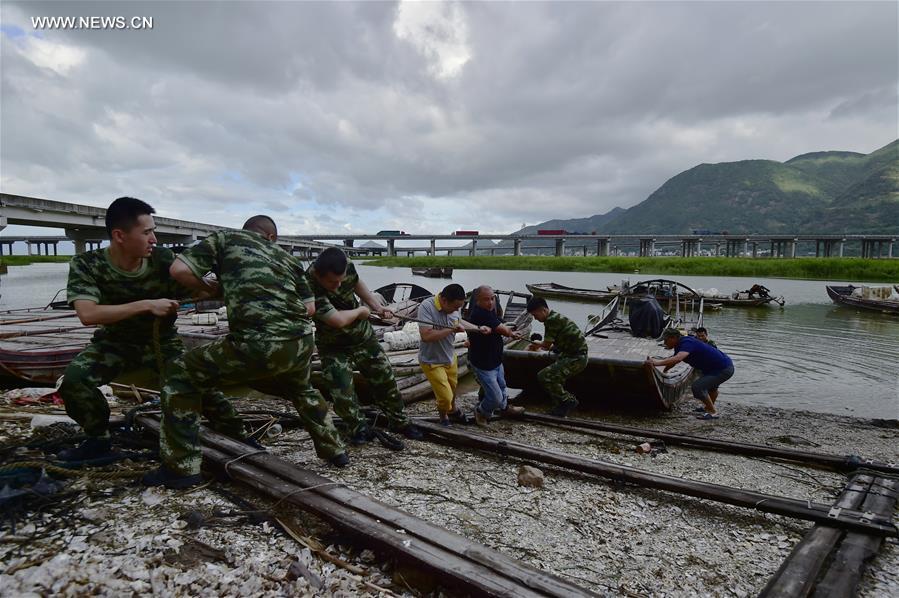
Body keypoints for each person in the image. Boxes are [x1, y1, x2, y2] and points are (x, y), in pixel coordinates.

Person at [143, 215, 347, 488]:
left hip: (257, 343)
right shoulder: (288, 258)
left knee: (179, 373)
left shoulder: (226, 238)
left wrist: (214, 287)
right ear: (271, 237)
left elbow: (179, 271)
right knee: (302, 389)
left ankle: (181, 467)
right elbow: (310, 308)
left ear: (247, 231)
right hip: (299, 342)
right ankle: (335, 450)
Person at [58, 197, 245, 461]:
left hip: (163, 343)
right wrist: (147, 305)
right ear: (119, 235)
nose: (154, 239)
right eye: (147, 232)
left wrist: (222, 283)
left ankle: (236, 432)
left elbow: (200, 288)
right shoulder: (88, 265)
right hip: (115, 343)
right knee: (75, 382)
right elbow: (87, 314)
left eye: (153, 231)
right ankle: (98, 439)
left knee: (196, 383)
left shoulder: (163, 260)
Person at [307, 248, 422, 444]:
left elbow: (357, 283)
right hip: (333, 344)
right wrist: (361, 310)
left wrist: (377, 306)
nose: (338, 286)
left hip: (362, 337)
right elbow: (337, 320)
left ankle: (399, 421)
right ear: (318, 274)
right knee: (342, 389)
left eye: (341, 281)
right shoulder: (307, 284)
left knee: (385, 378)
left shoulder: (347, 266)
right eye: (332, 283)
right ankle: (357, 428)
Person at [418, 283, 490, 426]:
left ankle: (453, 410)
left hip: (450, 357)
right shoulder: (426, 307)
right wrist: (451, 330)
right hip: (432, 360)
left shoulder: (454, 308)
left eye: (459, 307)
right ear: (444, 300)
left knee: (452, 388)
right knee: (445, 395)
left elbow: (459, 321)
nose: (457, 310)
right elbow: (426, 336)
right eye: (456, 307)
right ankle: (443, 416)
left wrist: (477, 328)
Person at [466, 285, 525, 427]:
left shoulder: (489, 311)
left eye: (492, 298)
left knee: (502, 386)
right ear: (478, 301)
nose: (491, 302)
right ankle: (481, 412)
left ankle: (504, 409)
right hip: (484, 365)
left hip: (495, 360)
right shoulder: (480, 314)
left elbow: (498, 324)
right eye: (486, 299)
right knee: (495, 397)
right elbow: (501, 329)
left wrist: (507, 330)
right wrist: (511, 333)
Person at [646, 329, 734, 420]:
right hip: (716, 367)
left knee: (698, 387)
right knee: (712, 388)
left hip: (723, 368)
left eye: (666, 340)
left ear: (674, 338)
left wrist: (656, 363)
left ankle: (713, 412)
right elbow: (674, 361)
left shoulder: (686, 342)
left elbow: (678, 359)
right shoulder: (680, 344)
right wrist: (664, 371)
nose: (664, 343)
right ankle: (708, 408)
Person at [525, 297, 588, 418]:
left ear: (543, 310)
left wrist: (535, 345)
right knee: (555, 378)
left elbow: (546, 345)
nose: (535, 319)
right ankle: (560, 407)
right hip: (571, 355)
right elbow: (553, 343)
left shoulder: (552, 320)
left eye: (535, 315)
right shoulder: (554, 317)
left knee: (544, 376)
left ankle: (568, 400)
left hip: (576, 358)